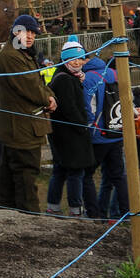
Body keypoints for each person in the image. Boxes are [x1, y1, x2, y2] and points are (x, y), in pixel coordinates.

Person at [0, 14, 55, 213]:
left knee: (11, 181)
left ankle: (8, 218)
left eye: (33, 33)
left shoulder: (23, 53)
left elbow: (38, 82)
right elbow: (30, 86)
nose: (30, 36)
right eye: (25, 31)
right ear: (15, 32)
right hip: (21, 129)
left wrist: (50, 96)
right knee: (26, 180)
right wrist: (48, 99)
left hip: (23, 127)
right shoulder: (11, 56)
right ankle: (31, 220)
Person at [45, 40, 93, 216]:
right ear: (65, 59)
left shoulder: (65, 76)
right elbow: (70, 107)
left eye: (80, 58)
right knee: (75, 172)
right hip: (71, 134)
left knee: (60, 170)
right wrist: (83, 126)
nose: (77, 62)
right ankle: (75, 209)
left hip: (61, 133)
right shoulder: (65, 79)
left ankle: (53, 206)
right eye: (73, 59)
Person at [82, 54, 128, 220]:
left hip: (98, 136)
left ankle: (94, 214)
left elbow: (88, 108)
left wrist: (88, 130)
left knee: (86, 175)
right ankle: (127, 213)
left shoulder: (88, 78)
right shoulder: (116, 73)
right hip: (117, 132)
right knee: (117, 176)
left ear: (86, 60)